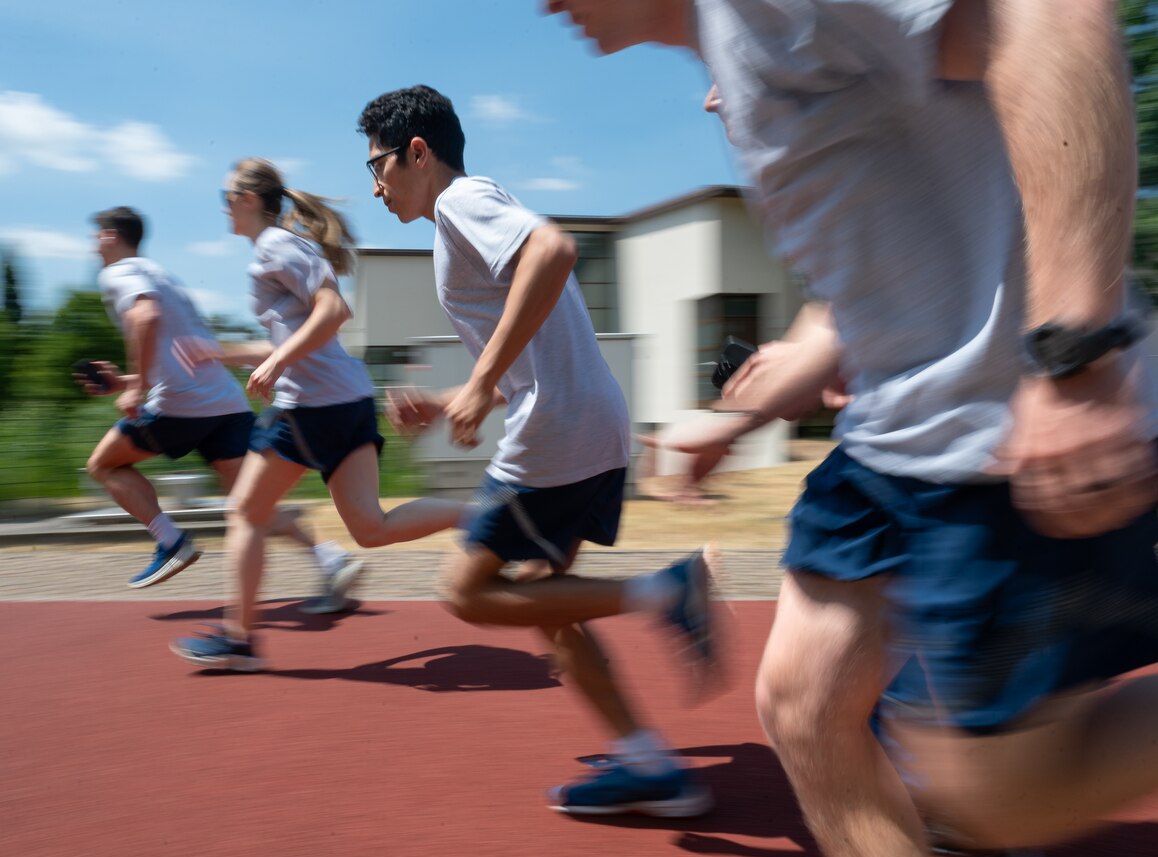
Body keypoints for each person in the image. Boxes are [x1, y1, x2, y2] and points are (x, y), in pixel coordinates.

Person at [546, 3, 1158, 857]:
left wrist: (1077, 350)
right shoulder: (740, 52)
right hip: (892, 442)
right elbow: (864, 276)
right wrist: (740, 417)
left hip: (1001, 432)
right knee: (805, 709)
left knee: (1003, 803)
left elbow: (1043, 17)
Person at [358, 86, 721, 816]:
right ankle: (651, 765)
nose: (375, 185)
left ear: (418, 153)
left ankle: (667, 591)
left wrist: (485, 378)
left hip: (555, 435)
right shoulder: (461, 220)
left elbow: (555, 251)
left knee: (463, 591)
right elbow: (536, 340)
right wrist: (461, 395)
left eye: (380, 165)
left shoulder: (462, 203)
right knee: (547, 607)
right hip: (586, 424)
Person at [170, 159, 467, 671]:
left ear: (247, 200)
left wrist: (277, 362)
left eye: (226, 199)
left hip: (310, 407)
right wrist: (223, 353)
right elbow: (291, 335)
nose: (222, 209)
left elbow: (333, 311)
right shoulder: (280, 247)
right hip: (345, 400)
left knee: (244, 512)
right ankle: (482, 516)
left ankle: (239, 640)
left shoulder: (275, 246)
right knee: (371, 528)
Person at [83, 206, 361, 610]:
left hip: (180, 404)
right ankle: (330, 558)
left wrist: (138, 388)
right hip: (223, 402)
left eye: (96, 235)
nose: (93, 244)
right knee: (250, 502)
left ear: (110, 236)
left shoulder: (116, 273)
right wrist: (124, 383)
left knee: (103, 465)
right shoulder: (160, 274)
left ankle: (170, 541)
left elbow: (146, 316)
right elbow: (174, 350)